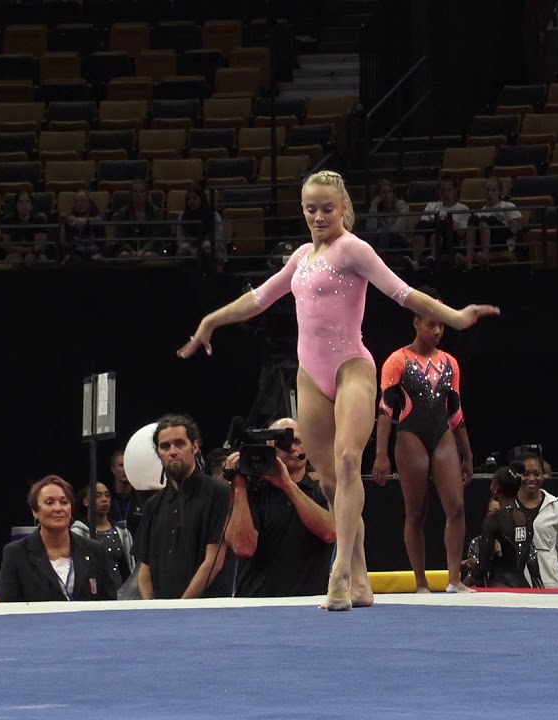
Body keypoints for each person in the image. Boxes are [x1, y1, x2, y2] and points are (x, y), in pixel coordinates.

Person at [178, 170, 500, 610]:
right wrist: (211, 319)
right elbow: (259, 298)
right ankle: (363, 581)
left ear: (344, 207)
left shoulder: (354, 250)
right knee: (329, 481)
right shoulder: (301, 257)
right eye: (310, 209)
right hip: (310, 373)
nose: (318, 216)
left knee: (349, 462)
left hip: (352, 366)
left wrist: (457, 317)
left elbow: (403, 293)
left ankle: (342, 571)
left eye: (327, 208)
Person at [372, 286, 476, 594]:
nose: (437, 330)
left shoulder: (450, 362)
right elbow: (385, 411)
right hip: (410, 436)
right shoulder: (396, 360)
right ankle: (420, 582)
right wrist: (380, 454)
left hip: (442, 434)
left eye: (441, 324)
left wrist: (468, 455)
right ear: (415, 322)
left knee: (456, 507)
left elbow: (456, 413)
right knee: (416, 511)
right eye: (431, 323)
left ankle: (454, 578)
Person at [225, 418, 336, 598]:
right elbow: (242, 547)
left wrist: (287, 485)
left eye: (298, 441)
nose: (292, 448)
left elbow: (330, 532)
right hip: (256, 605)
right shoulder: (251, 491)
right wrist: (239, 486)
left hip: (307, 606)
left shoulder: (323, 491)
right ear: (269, 448)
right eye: (282, 442)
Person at [134, 415, 232, 600]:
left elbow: (214, 561)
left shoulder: (219, 494)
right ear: (158, 452)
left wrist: (181, 607)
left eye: (180, 444)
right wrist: (151, 607)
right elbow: (144, 568)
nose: (173, 451)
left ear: (195, 447)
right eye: (165, 446)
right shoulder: (153, 505)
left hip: (207, 613)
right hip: (162, 616)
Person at [0, 475, 118, 602]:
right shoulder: (16, 553)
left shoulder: (95, 550)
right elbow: (7, 608)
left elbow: (109, 603)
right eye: (49, 502)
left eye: (64, 502)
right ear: (35, 511)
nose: (58, 508)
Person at [516, 453, 558, 589]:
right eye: (526, 474)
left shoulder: (557, 507)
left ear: (544, 475)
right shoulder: (507, 505)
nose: (531, 478)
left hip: (551, 586)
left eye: (537, 473)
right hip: (516, 586)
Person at [475, 462, 541, 588]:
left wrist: (464, 584)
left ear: (496, 487)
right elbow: (533, 565)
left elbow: (483, 567)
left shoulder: (493, 520)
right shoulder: (528, 517)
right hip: (524, 587)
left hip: (500, 587)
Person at [71, 482, 136, 588]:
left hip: (121, 593)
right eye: (97, 496)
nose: (104, 499)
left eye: (107, 495)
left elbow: (131, 566)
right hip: (91, 593)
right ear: (85, 501)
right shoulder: (78, 533)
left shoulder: (123, 532)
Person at [465, 177, 522, 267]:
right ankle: (468, 258)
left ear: (499, 192)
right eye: (487, 190)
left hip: (503, 239)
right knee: (473, 219)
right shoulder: (480, 211)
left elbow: (514, 229)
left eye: (493, 190)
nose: (490, 193)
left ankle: (485, 256)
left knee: (486, 220)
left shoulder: (508, 206)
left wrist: (495, 227)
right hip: (484, 239)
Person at [109, 180, 169, 257]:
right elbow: (121, 237)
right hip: (128, 249)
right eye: (135, 191)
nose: (139, 194)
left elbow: (156, 237)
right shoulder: (123, 213)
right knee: (124, 255)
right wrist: (131, 250)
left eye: (142, 191)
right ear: (131, 194)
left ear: (147, 194)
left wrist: (143, 250)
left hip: (152, 248)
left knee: (149, 255)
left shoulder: (156, 212)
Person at [176, 187, 226, 267]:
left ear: (202, 199)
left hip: (210, 250)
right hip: (189, 251)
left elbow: (217, 239)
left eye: (194, 198)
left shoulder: (214, 215)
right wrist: (190, 249)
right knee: (182, 255)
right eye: (188, 199)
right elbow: (180, 240)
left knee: (208, 253)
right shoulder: (182, 217)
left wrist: (202, 248)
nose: (191, 201)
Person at [1, 190, 50, 263]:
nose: (24, 205)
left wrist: (24, 251)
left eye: (27, 201)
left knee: (36, 258)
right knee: (14, 258)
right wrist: (27, 250)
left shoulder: (39, 220)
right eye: (21, 202)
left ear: (31, 206)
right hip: (14, 254)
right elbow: (7, 247)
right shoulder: (7, 221)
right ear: (16, 205)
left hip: (33, 254)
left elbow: (39, 247)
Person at [364, 179, 411, 252]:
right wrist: (373, 205)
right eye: (383, 193)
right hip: (382, 240)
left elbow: (396, 229)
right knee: (369, 237)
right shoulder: (376, 209)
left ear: (393, 194)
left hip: (401, 240)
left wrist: (379, 231)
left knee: (384, 236)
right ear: (378, 195)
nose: (387, 196)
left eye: (389, 192)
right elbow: (370, 230)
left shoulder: (402, 206)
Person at [61, 190, 106, 261]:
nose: (79, 203)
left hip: (95, 250)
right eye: (77, 201)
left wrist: (83, 220)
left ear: (89, 202)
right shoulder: (71, 216)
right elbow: (63, 216)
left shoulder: (98, 214)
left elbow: (100, 219)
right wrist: (69, 219)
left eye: (82, 200)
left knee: (96, 260)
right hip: (76, 251)